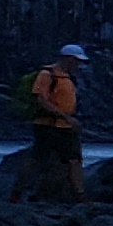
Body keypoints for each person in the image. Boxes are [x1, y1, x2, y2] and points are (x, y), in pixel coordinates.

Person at [19, 43, 86, 202]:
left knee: (75, 160)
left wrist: (69, 119)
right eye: (75, 60)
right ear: (66, 59)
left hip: (65, 127)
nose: (78, 64)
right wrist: (66, 117)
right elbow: (41, 100)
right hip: (46, 125)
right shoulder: (47, 74)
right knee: (36, 159)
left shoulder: (69, 78)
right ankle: (17, 193)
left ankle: (80, 196)